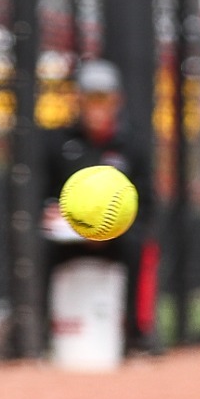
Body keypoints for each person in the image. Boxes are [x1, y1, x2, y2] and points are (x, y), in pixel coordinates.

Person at [40, 58, 157, 351]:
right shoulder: (58, 143)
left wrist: (111, 230)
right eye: (89, 96)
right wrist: (53, 216)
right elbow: (41, 195)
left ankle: (137, 333)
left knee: (142, 246)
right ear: (78, 99)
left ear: (116, 100)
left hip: (117, 234)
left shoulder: (133, 145)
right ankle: (36, 332)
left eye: (102, 97)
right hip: (67, 234)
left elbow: (147, 204)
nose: (96, 105)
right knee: (34, 248)